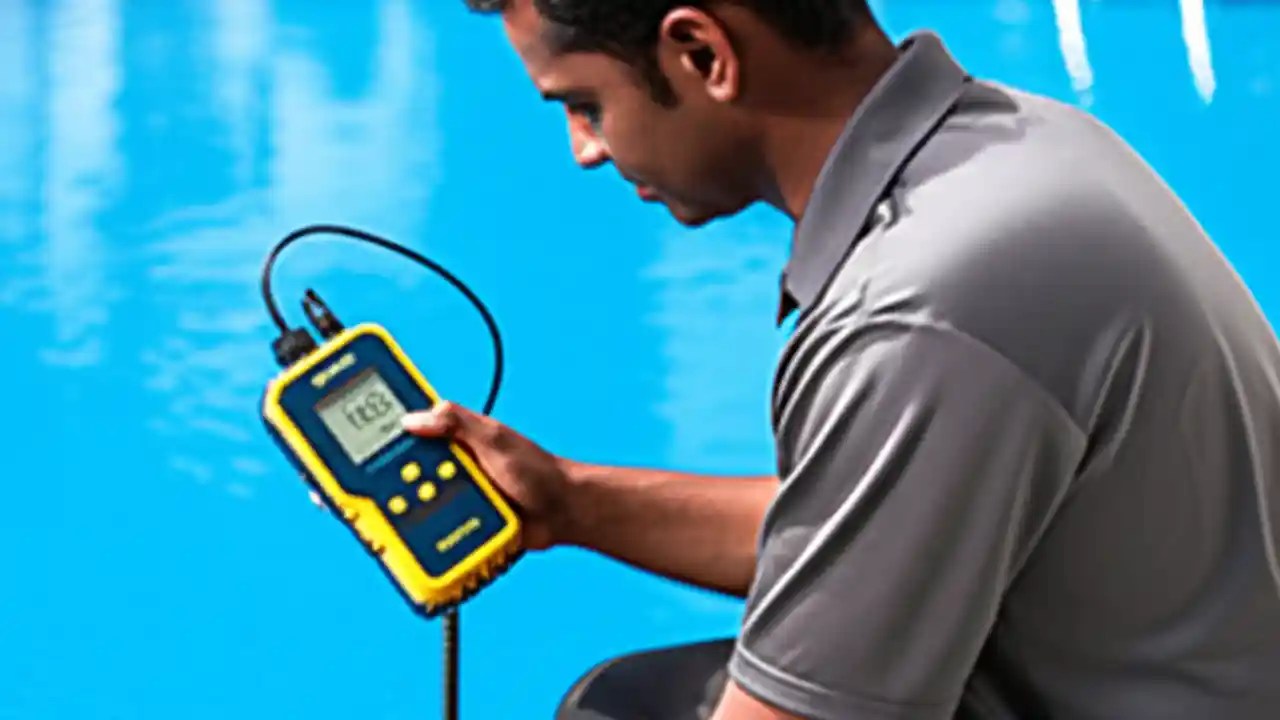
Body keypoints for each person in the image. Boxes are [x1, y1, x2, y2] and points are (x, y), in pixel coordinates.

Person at [394, 1, 1280, 718]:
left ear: (702, 53)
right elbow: (865, 522)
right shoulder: (1022, 147)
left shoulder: (923, 305)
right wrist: (569, 502)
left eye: (584, 104)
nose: (584, 150)